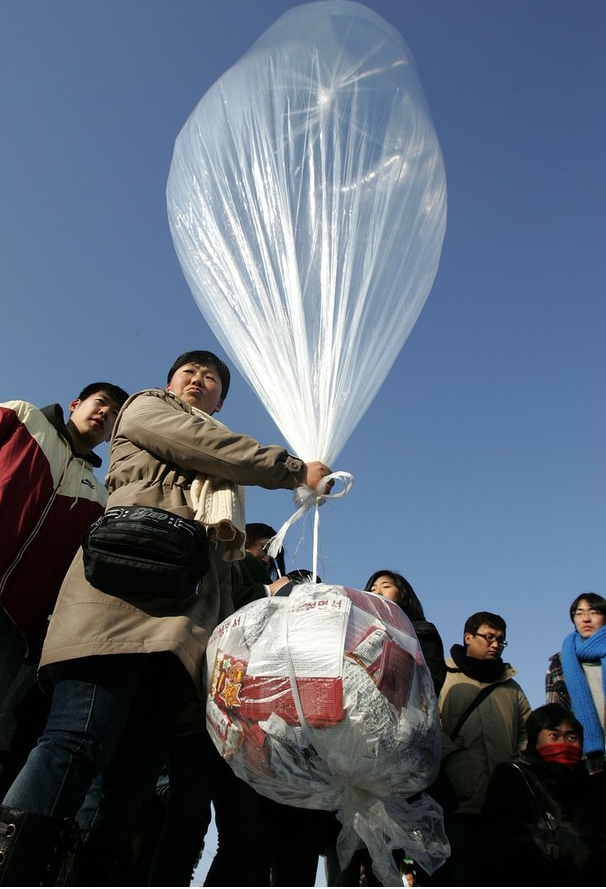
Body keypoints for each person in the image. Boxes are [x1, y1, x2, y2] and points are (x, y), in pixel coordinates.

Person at [0, 350, 332, 886]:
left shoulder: (224, 481)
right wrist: (292, 469)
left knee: (128, 785)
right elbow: (203, 445)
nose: (199, 382)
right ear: (169, 383)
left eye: (211, 380)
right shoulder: (146, 409)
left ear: (222, 400)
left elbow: (224, 573)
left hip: (182, 635)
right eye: (190, 374)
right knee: (76, 743)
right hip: (117, 605)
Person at [0, 383, 128, 699]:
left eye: (114, 415)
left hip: (13, 627)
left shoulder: (100, 498)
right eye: (101, 403)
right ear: (75, 404)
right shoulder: (22, 417)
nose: (104, 414)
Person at [432, 611, 532, 886]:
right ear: (468, 637)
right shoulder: (442, 676)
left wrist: (516, 765)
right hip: (455, 803)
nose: (495, 644)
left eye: (501, 640)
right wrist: (452, 757)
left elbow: (528, 732)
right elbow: (426, 725)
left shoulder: (511, 687)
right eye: (488, 637)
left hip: (502, 807)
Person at [482, 703, 606, 885]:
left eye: (571, 737)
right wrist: (570, 847)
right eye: (554, 736)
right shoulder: (513, 776)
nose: (563, 744)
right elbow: (503, 834)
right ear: (535, 739)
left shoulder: (590, 786)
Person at [545, 592, 606, 775]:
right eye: (579, 613)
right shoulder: (561, 662)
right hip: (584, 762)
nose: (586, 619)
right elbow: (554, 714)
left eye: (593, 612)